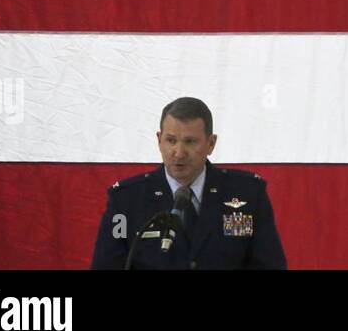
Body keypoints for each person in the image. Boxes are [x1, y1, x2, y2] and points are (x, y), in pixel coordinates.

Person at [90, 96, 286, 269]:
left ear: (211, 143)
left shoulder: (248, 195)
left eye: (190, 141)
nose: (179, 152)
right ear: (159, 140)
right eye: (171, 140)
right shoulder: (125, 202)